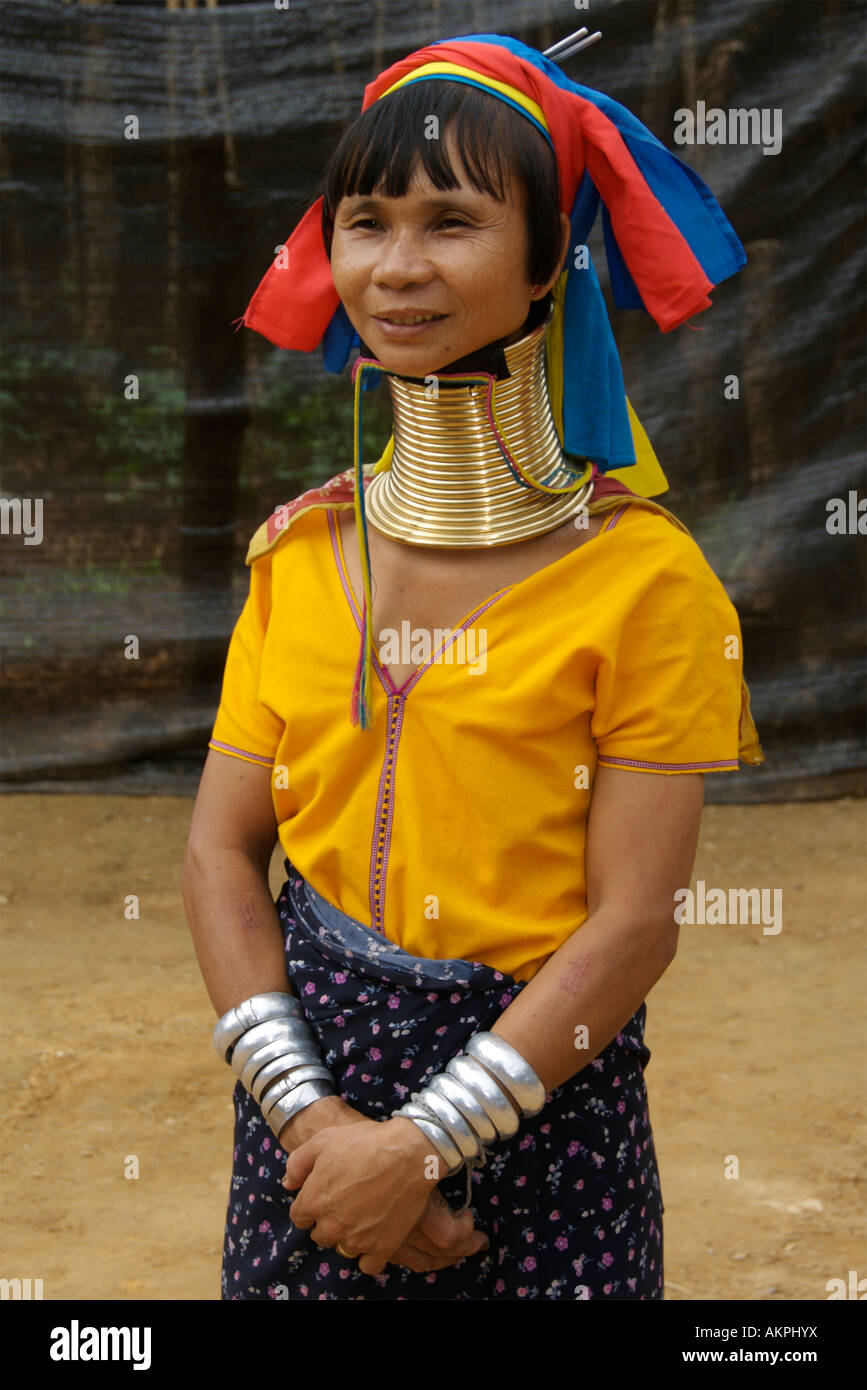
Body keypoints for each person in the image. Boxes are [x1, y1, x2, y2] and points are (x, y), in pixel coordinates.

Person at [181, 32, 764, 1301]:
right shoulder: (299, 555)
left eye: (452, 222)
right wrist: (319, 1127)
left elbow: (635, 920)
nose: (396, 268)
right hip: (306, 1133)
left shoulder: (648, 586)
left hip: (546, 1123)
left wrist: (424, 1145)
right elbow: (222, 852)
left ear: (550, 254)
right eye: (366, 222)